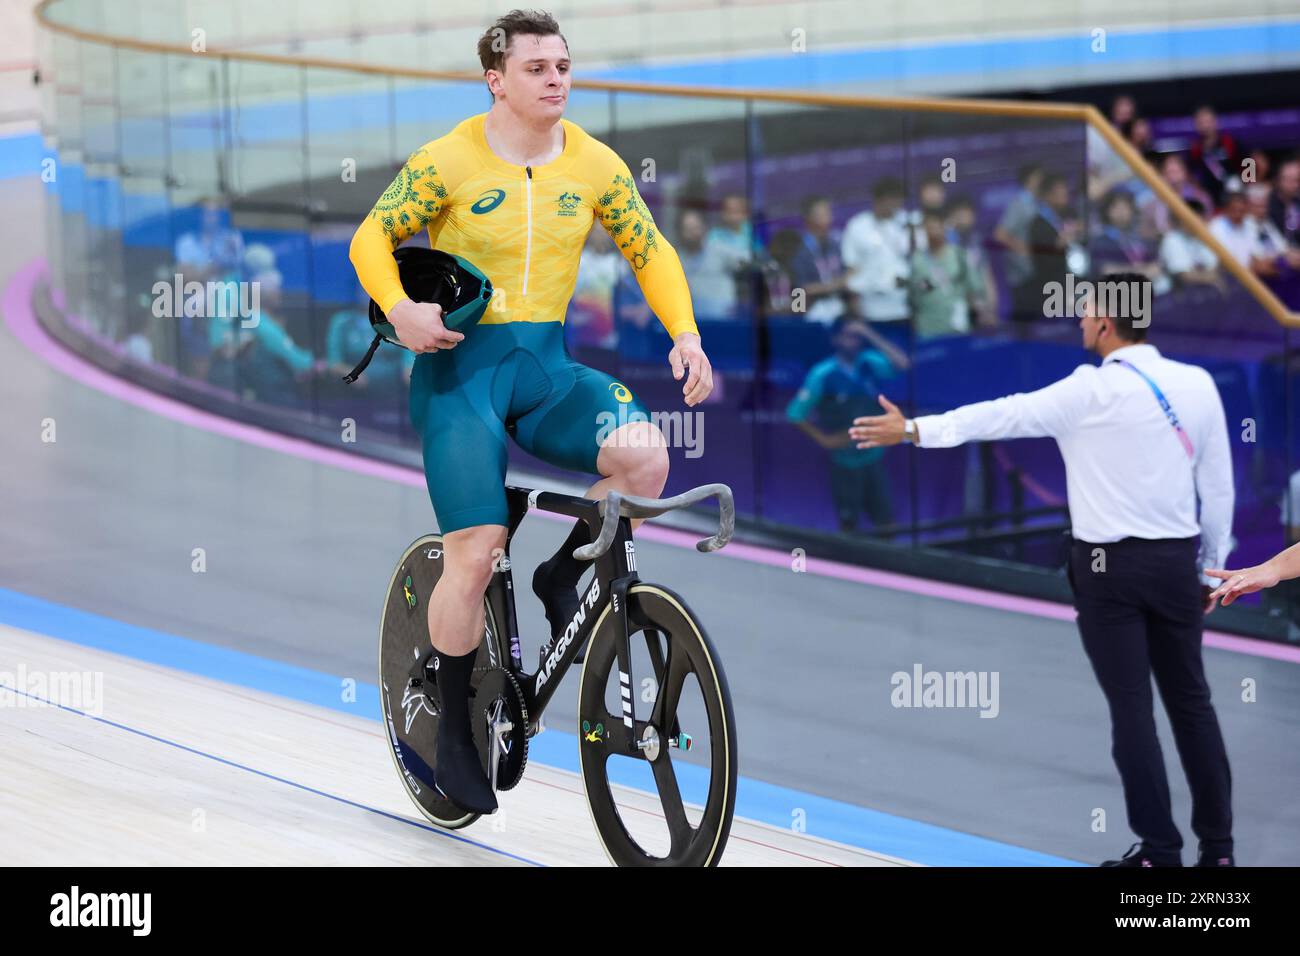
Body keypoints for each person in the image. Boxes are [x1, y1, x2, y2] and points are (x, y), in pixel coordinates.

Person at [348, 9, 712, 815]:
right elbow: (371, 237)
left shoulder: (595, 163)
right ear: (497, 80)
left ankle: (563, 571)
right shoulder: (448, 159)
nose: (557, 79)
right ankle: (448, 728)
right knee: (473, 555)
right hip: (460, 380)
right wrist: (400, 309)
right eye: (539, 67)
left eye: (563, 65)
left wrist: (684, 333)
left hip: (545, 372)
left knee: (646, 459)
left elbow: (650, 249)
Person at [850, 273, 1237, 867]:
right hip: (1175, 565)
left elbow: (1000, 417)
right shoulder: (1199, 385)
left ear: (1107, 323)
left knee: (1131, 709)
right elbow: (1217, 487)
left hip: (1108, 571)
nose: (1080, 319)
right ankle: (1220, 854)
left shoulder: (1086, 391)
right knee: (1193, 704)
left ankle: (1160, 852)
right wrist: (1213, 567)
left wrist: (913, 431)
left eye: (1086, 311)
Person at [787, 315, 902, 534]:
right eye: (849, 336)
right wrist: (825, 440)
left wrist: (869, 333)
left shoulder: (869, 361)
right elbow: (795, 414)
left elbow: (902, 363)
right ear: (836, 339)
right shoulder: (823, 373)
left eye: (858, 337)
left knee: (887, 524)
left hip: (874, 457)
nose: (855, 341)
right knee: (849, 526)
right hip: (844, 463)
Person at [788, 195, 847, 323]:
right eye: (824, 214)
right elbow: (799, 290)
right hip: (812, 315)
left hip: (840, 311)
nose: (830, 218)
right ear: (809, 219)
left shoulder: (836, 245)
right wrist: (799, 321)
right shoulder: (798, 251)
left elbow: (846, 277)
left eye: (829, 213)